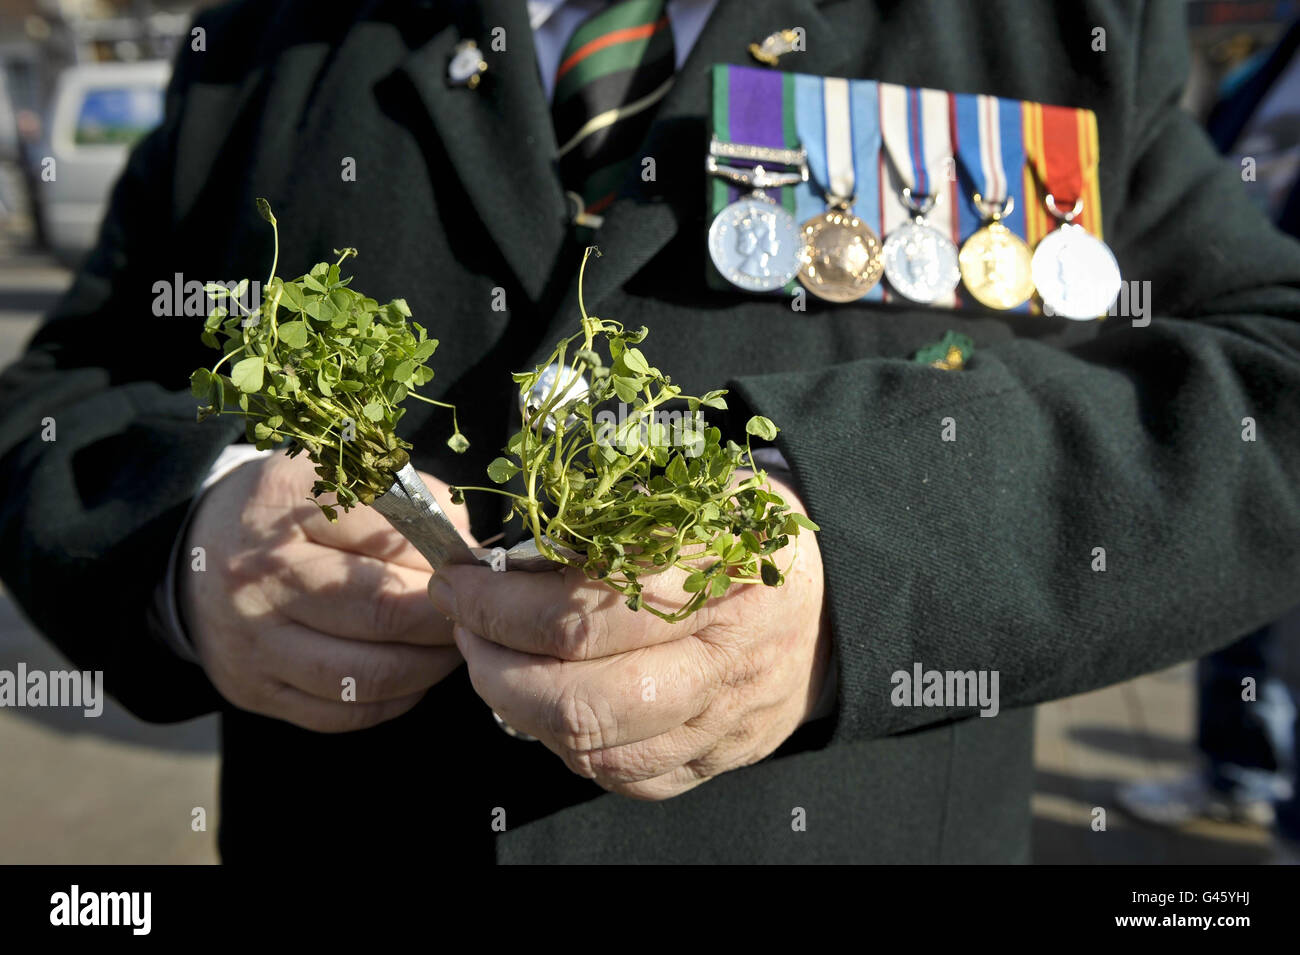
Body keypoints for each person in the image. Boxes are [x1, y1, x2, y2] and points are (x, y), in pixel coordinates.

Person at [1, 0, 1299, 864]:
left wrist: (861, 548)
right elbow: (63, 385)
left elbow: (1271, 376)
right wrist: (187, 536)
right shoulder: (272, 33)